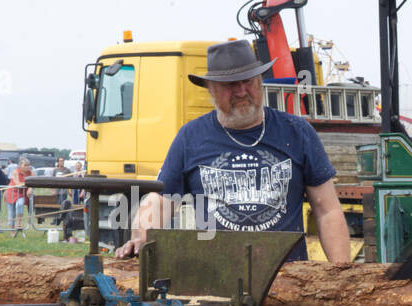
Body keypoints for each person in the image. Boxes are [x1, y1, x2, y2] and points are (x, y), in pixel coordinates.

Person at [115, 39, 350, 263]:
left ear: (260, 81)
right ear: (210, 89)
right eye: (230, 85)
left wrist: (341, 272)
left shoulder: (297, 132)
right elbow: (161, 201)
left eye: (248, 81)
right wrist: (140, 237)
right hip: (216, 282)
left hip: (288, 277)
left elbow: (327, 209)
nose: (241, 92)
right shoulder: (191, 137)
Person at [6, 157, 33, 235]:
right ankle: (12, 231)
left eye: (28, 165)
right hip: (12, 192)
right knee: (11, 213)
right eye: (25, 165)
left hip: (22, 193)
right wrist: (28, 185)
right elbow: (17, 183)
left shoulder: (31, 172)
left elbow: (34, 182)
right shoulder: (15, 172)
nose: (27, 167)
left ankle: (19, 223)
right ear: (20, 166)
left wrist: (30, 188)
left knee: (20, 204)